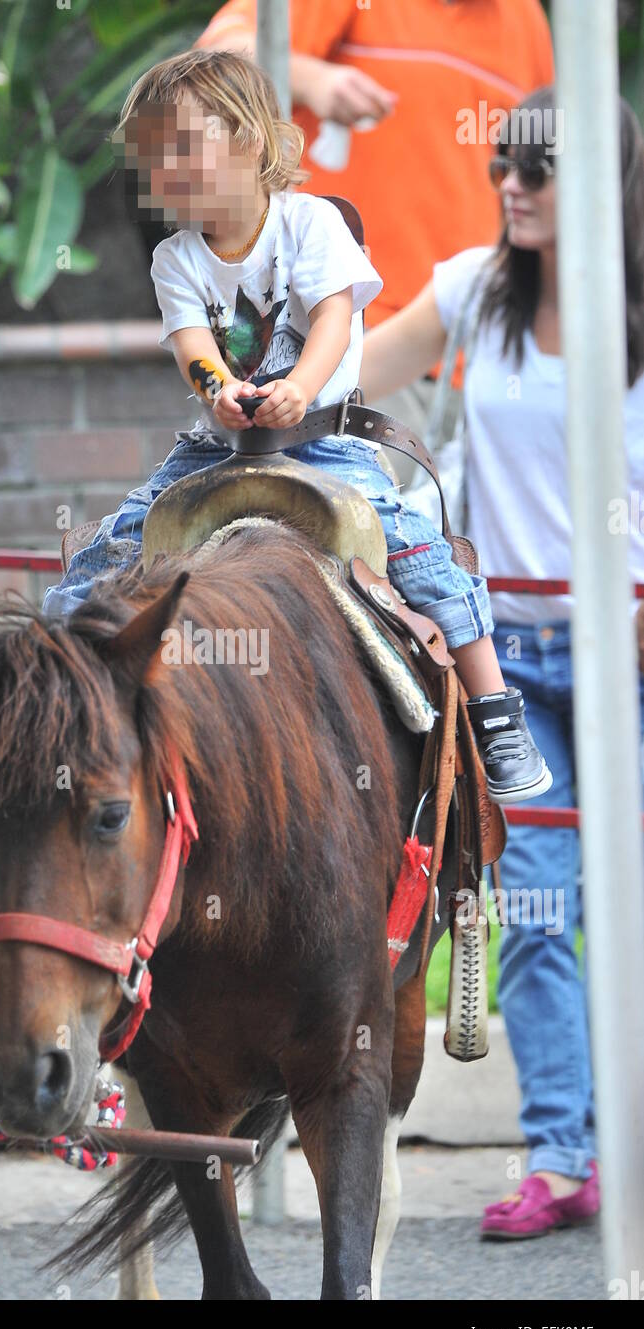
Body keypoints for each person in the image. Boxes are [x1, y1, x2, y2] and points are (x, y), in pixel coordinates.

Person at [44, 48, 551, 805]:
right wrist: (218, 393)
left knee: (419, 552)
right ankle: (61, 690)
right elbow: (193, 347)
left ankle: (492, 711)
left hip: (323, 440)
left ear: (249, 141)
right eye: (153, 160)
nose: (165, 173)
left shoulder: (310, 224)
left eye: (184, 148)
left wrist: (299, 390)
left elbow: (332, 318)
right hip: (220, 445)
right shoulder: (174, 259)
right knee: (110, 547)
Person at [359, 86, 644, 1236]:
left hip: (627, 651)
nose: (511, 186)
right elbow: (341, 382)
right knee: (530, 908)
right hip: (510, 663)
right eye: (504, 169)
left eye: (536, 170)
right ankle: (565, 1156)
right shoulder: (476, 294)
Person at [194, 0, 555, 475]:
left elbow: (549, 159)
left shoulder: (524, 19)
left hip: (483, 359)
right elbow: (214, 66)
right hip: (354, 350)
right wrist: (312, 79)